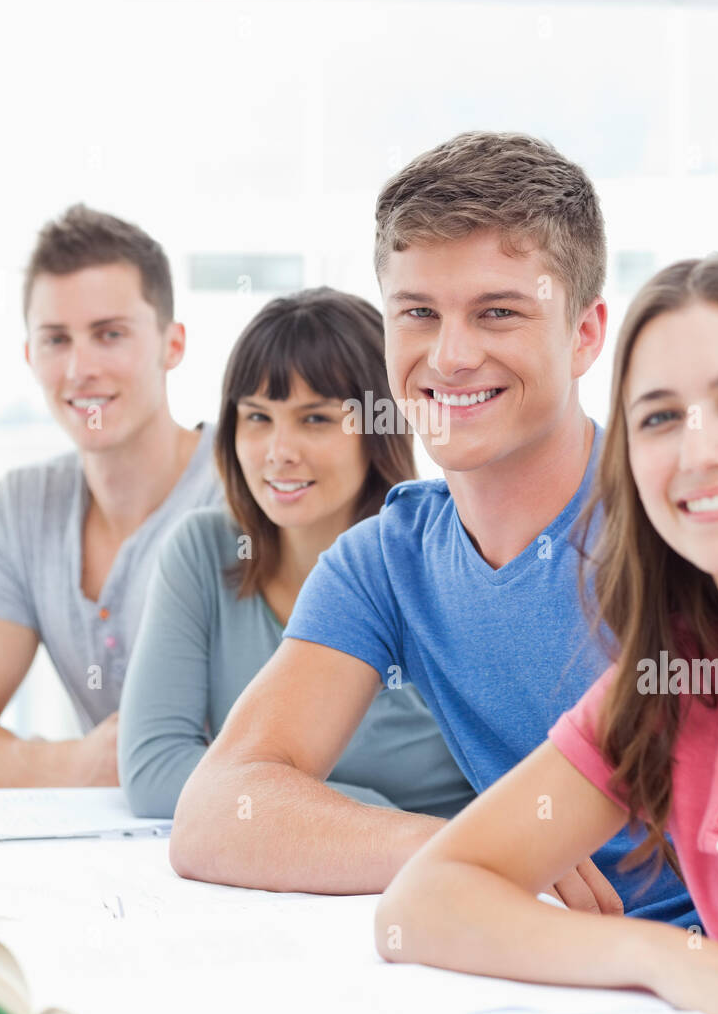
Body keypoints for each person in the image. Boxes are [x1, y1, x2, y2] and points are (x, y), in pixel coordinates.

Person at [170, 130, 695, 927]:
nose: (449, 357)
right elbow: (215, 811)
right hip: (551, 970)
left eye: (498, 312)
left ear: (586, 333)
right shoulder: (387, 559)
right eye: (418, 312)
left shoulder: (680, 521)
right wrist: (465, 853)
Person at [375, 250, 718, 1014]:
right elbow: (429, 902)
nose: (701, 451)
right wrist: (665, 957)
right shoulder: (677, 686)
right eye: (658, 417)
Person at [118, 288, 475, 821]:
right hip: (300, 879)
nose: (278, 452)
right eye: (257, 417)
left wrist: (276, 799)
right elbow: (155, 769)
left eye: (315, 419)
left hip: (438, 883)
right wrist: (365, 814)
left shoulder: (448, 565)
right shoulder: (203, 552)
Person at [0, 204, 221, 786]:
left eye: (110, 335)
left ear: (172, 344)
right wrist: (72, 763)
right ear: (31, 356)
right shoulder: (22, 507)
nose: (81, 368)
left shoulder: (250, 487)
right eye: (56, 340)